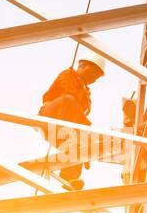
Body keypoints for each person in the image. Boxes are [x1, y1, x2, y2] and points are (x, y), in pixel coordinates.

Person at [38, 58, 104, 190]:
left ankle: (69, 177)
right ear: (82, 66)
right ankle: (66, 135)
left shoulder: (85, 90)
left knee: (82, 142)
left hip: (67, 122)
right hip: (52, 115)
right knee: (69, 100)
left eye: (97, 77)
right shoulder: (68, 75)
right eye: (93, 74)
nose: (94, 79)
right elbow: (69, 95)